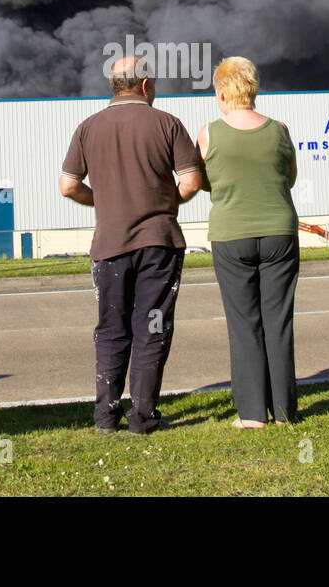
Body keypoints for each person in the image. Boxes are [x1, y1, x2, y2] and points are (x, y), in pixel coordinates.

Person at [60, 56, 202, 434]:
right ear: (143, 86)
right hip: (159, 243)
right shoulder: (167, 124)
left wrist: (102, 201)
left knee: (111, 328)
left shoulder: (88, 128)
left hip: (109, 246)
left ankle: (105, 417)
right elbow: (190, 182)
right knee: (151, 325)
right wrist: (164, 201)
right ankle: (142, 417)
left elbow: (68, 185)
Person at [196, 57, 301, 428]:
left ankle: (252, 415)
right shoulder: (280, 130)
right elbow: (288, 179)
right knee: (279, 321)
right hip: (279, 232)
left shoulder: (208, 134)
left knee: (244, 324)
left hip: (230, 234)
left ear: (223, 93)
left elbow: (206, 182)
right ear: (253, 90)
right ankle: (285, 412)